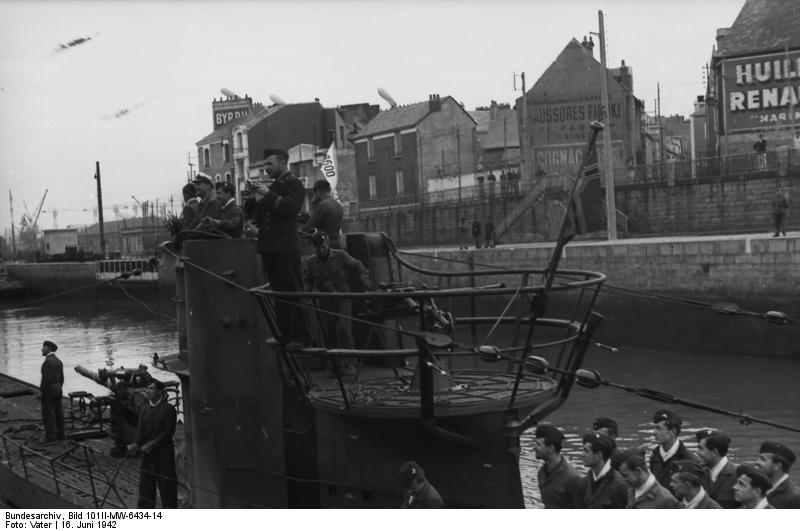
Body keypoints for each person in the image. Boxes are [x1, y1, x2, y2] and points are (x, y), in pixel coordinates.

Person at [247, 148, 307, 344]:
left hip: (285, 246)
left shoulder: (294, 184)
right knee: (279, 292)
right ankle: (285, 334)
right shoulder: (275, 187)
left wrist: (267, 194)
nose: (266, 168)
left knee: (292, 291)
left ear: (282, 162)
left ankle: (299, 335)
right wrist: (253, 196)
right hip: (271, 247)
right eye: (265, 164)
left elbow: (289, 208)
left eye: (269, 164)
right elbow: (258, 214)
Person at [304, 232, 372, 367]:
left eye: (323, 246)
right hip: (325, 299)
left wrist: (365, 281)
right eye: (318, 248)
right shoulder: (311, 262)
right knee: (329, 331)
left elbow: (357, 265)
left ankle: (351, 361)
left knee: (343, 329)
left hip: (342, 297)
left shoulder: (340, 255)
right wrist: (306, 294)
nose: (321, 250)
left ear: (327, 244)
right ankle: (335, 364)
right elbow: (308, 280)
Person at [129, 380, 178, 509]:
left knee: (167, 487)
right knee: (146, 487)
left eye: (151, 388)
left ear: (160, 392)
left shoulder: (169, 409)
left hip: (164, 454)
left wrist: (153, 444)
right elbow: (140, 430)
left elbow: (168, 432)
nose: (148, 391)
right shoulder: (144, 410)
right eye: (147, 388)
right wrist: (135, 444)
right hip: (148, 455)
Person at [649, 409, 699, 493]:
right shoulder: (654, 457)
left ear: (673, 431)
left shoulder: (691, 461)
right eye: (654, 428)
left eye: (659, 428)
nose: (654, 432)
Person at [534, 424, 581, 508]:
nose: (534, 447)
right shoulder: (541, 473)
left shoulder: (572, 477)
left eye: (538, 444)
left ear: (551, 448)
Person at [579, 432, 628, 508]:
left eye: (586, 451)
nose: (582, 454)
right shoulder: (587, 480)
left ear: (598, 455)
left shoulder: (619, 486)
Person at [696, 430, 738, 508]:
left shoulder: (737, 476)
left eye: (701, 449)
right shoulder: (698, 473)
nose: (697, 452)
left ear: (714, 452)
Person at [756, 440, 800, 508]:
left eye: (763, 459)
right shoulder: (757, 487)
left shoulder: (794, 497)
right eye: (758, 458)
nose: (757, 462)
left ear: (777, 465)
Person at [301, 179, 344, 249]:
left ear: (318, 190)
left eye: (314, 193)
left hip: (325, 245)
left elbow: (309, 227)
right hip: (337, 243)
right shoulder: (338, 205)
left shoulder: (322, 206)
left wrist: (297, 231)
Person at [39, 340, 64, 443]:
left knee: (48, 413)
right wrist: (58, 387)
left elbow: (45, 379)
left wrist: (42, 391)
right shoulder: (58, 361)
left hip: (49, 389)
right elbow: (62, 378)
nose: (42, 349)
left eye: (44, 347)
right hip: (58, 388)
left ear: (48, 348)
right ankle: (61, 435)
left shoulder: (47, 362)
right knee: (59, 412)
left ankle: (50, 437)